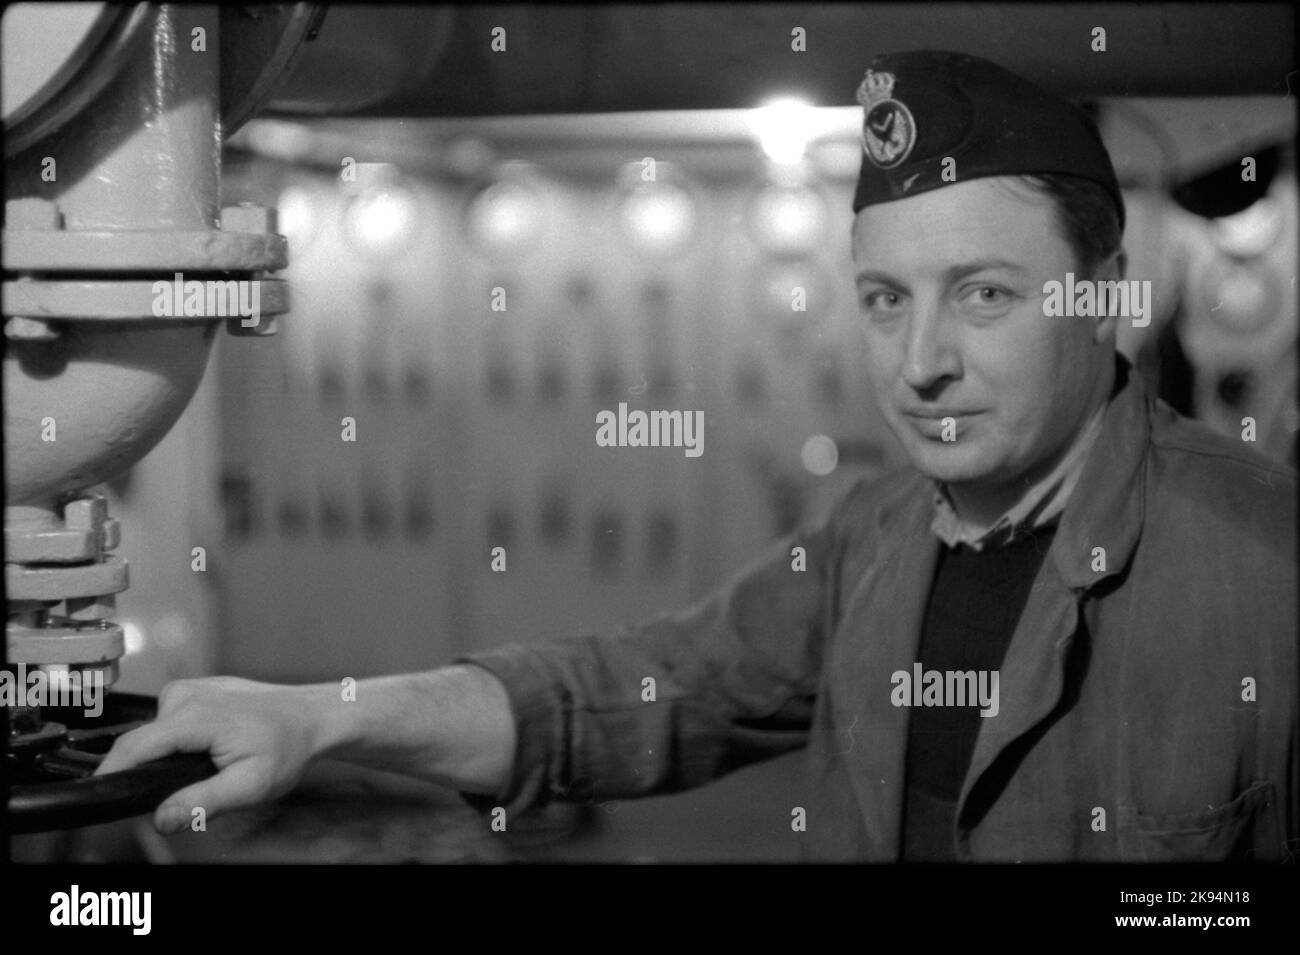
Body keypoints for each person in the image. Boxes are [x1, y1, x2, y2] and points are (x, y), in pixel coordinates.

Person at [98, 50, 1297, 862]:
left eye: (982, 294)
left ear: (1109, 299)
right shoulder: (873, 540)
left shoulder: (1266, 571)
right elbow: (618, 695)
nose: (918, 362)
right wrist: (317, 718)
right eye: (883, 299)